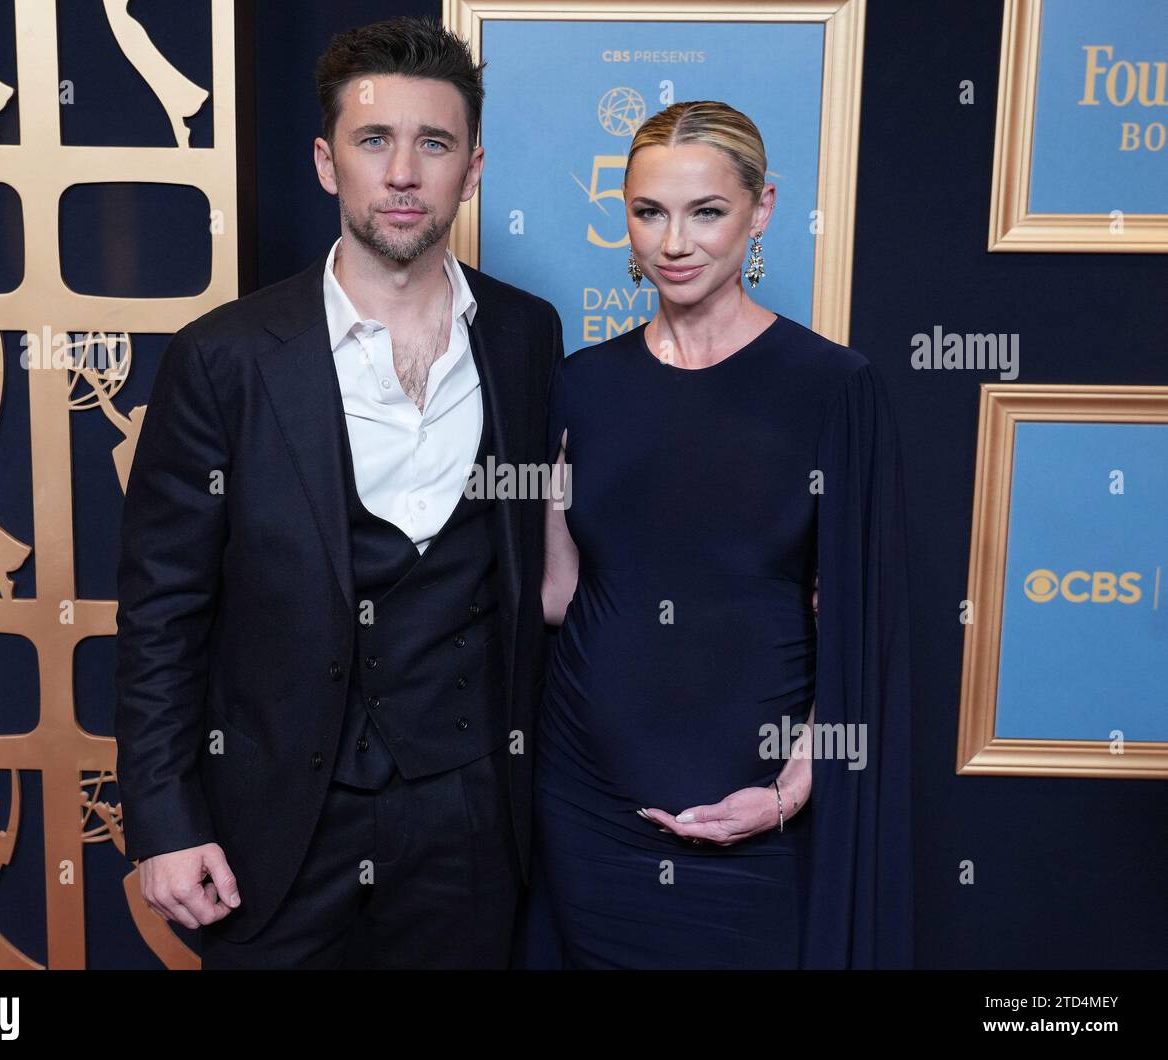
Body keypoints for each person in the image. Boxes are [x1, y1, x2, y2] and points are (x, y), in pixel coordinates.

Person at [113, 16, 562, 969]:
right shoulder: (224, 357)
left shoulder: (526, 338)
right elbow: (162, 611)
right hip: (271, 831)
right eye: (374, 141)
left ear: (471, 171)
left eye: (433, 143)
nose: (403, 173)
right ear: (328, 163)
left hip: (468, 827)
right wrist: (162, 819)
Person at [522, 101, 914, 969]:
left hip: (756, 808)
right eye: (649, 211)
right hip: (586, 796)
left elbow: (856, 623)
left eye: (707, 212)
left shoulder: (833, 389)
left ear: (762, 208)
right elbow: (555, 597)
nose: (674, 242)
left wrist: (789, 792)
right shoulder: (582, 384)